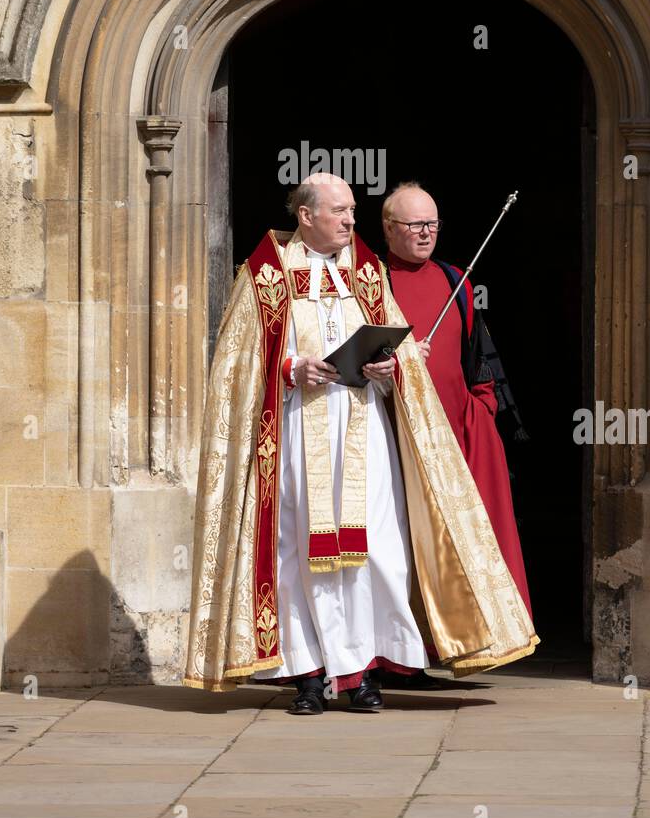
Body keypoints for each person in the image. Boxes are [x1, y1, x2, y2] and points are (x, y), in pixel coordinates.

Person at [184, 172, 538, 712]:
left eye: (353, 210)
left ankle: (363, 672)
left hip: (363, 430)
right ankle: (306, 675)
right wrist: (289, 367)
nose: (352, 220)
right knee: (298, 555)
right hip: (296, 434)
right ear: (306, 216)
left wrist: (389, 365)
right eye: (341, 211)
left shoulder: (368, 273)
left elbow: (404, 359)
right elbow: (233, 367)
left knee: (375, 552)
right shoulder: (264, 276)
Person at [383, 182, 533, 622]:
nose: (426, 232)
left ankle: (453, 639)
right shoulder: (372, 281)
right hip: (398, 433)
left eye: (433, 223)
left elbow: (478, 356)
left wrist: (483, 409)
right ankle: (400, 655)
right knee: (406, 541)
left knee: (457, 540)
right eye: (415, 224)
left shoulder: (457, 282)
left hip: (457, 432)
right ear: (390, 229)